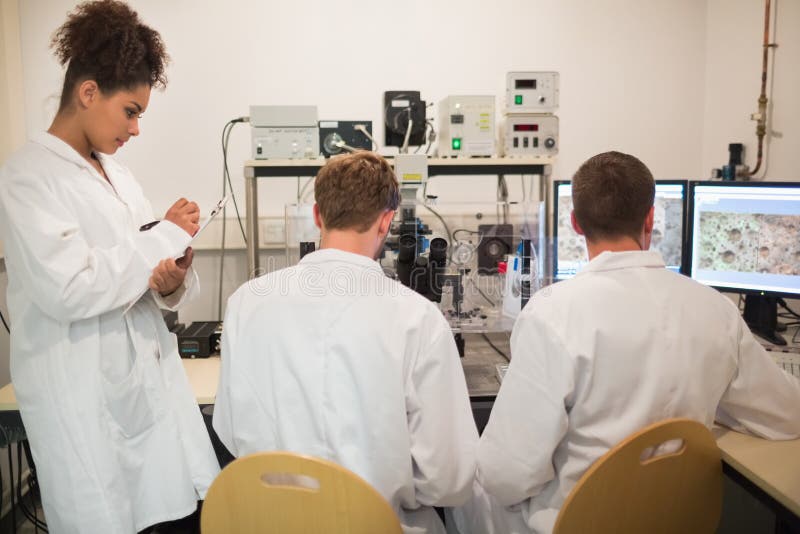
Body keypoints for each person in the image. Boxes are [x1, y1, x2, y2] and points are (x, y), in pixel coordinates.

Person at [452, 151, 800, 534]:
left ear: (575, 223)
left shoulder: (552, 314)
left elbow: (506, 475)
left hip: (574, 524)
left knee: (466, 486)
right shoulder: (714, 309)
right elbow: (786, 415)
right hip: (676, 521)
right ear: (651, 218)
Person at [0, 1, 220, 532]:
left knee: (177, 512)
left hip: (147, 398)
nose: (137, 128)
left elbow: (139, 272)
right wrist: (164, 235)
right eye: (131, 111)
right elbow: (70, 288)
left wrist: (170, 280)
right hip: (88, 410)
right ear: (89, 92)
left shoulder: (119, 177)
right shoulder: (29, 178)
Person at [213, 151, 478, 534]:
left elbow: (230, 431)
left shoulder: (245, 302)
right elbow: (449, 479)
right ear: (387, 221)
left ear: (318, 215)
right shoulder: (417, 317)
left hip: (270, 523)